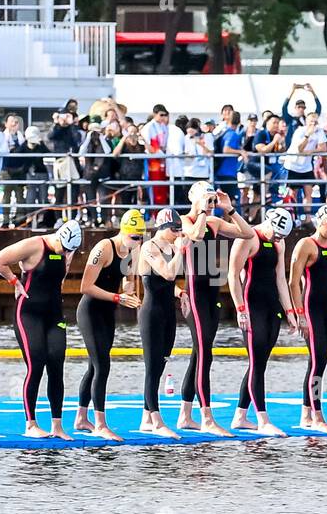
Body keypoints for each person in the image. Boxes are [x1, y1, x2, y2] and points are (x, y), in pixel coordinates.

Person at [0, 220, 83, 438]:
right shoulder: (34, 245)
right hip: (28, 313)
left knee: (57, 365)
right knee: (36, 364)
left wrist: (65, 259)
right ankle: (30, 425)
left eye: (71, 251)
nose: (66, 253)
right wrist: (14, 281)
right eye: (65, 248)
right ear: (59, 237)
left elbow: (58, 278)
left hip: (54, 314)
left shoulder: (68, 251)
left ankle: (57, 426)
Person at [178, 182, 254, 435]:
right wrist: (201, 210)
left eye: (211, 201)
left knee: (199, 355)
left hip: (212, 293)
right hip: (195, 296)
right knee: (205, 355)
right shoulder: (185, 221)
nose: (210, 205)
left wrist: (229, 210)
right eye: (206, 200)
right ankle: (207, 418)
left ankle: (185, 415)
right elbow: (196, 235)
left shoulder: (215, 222)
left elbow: (247, 234)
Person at [74, 210, 146, 440]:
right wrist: (117, 298)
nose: (139, 242)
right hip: (90, 311)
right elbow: (85, 286)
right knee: (103, 365)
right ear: (123, 232)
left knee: (95, 366)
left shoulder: (131, 250)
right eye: (135, 237)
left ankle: (81, 418)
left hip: (107, 312)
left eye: (141, 237)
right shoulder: (104, 248)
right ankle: (100, 424)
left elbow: (124, 276)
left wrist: (127, 289)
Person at [228, 207, 298, 435]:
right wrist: (240, 309)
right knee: (257, 364)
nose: (276, 239)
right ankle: (262, 420)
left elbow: (280, 278)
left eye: (281, 237)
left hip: (271, 307)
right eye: (276, 235)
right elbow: (233, 275)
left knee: (260, 364)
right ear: (268, 222)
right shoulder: (248, 237)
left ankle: (240, 416)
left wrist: (290, 311)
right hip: (252, 307)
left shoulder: (279, 242)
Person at [289, 203, 327, 434]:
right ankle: (317, 416)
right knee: (318, 361)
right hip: (311, 309)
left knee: (320, 360)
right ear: (320, 223)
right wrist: (299, 314)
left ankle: (306, 413)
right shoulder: (306, 245)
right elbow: (293, 282)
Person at [135, 210, 190, 438]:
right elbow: (167, 274)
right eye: (174, 229)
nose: (177, 233)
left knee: (161, 364)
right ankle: (157, 421)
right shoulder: (149, 247)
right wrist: (181, 249)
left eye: (179, 229)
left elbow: (168, 285)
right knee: (152, 367)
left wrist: (181, 293)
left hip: (168, 312)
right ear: (161, 228)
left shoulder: (170, 248)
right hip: (151, 314)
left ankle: (146, 418)